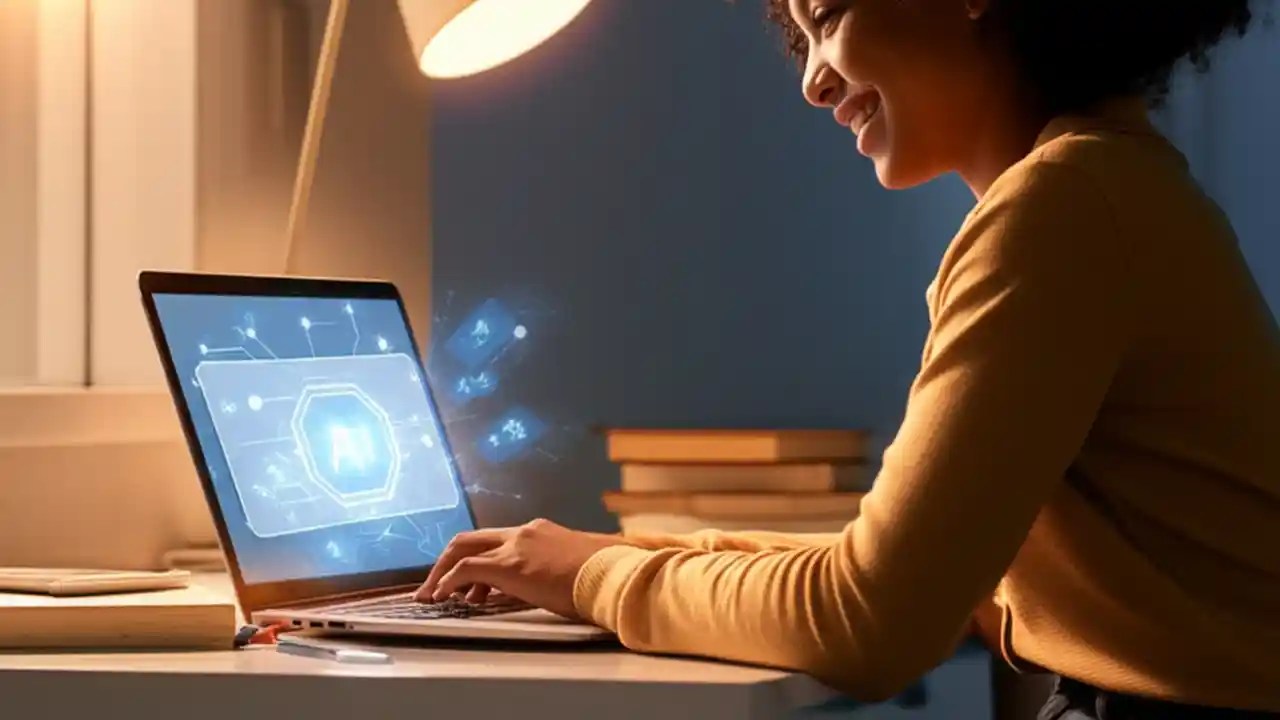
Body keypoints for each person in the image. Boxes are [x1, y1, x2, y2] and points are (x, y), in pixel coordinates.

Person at [416, 1, 1280, 716]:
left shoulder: (1061, 209)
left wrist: (599, 577)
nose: (812, 78)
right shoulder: (1112, 184)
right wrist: (603, 557)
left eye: (827, 17)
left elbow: (869, 621)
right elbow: (901, 572)